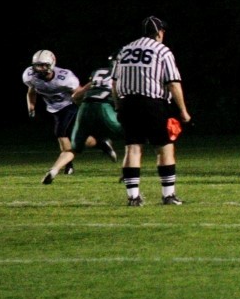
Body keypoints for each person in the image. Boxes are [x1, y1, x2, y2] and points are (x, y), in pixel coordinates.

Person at [112, 16, 192, 206]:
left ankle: (133, 197)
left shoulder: (125, 50)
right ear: (159, 32)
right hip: (152, 103)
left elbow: (114, 83)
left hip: (127, 102)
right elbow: (173, 83)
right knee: (165, 147)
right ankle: (168, 195)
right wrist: (183, 111)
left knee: (133, 148)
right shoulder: (162, 50)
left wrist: (118, 106)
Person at [41, 55, 122, 184]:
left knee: (73, 147)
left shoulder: (97, 73)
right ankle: (128, 172)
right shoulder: (123, 74)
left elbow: (75, 97)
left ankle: (54, 170)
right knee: (133, 139)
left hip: (85, 106)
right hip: (105, 106)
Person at [23, 49, 85, 179]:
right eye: (37, 65)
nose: (40, 69)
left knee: (60, 132)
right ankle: (100, 142)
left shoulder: (65, 77)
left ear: (52, 64)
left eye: (43, 65)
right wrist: (31, 107)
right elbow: (31, 91)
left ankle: (67, 165)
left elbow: (80, 93)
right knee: (72, 136)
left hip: (69, 105)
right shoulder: (30, 76)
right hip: (52, 108)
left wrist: (84, 108)